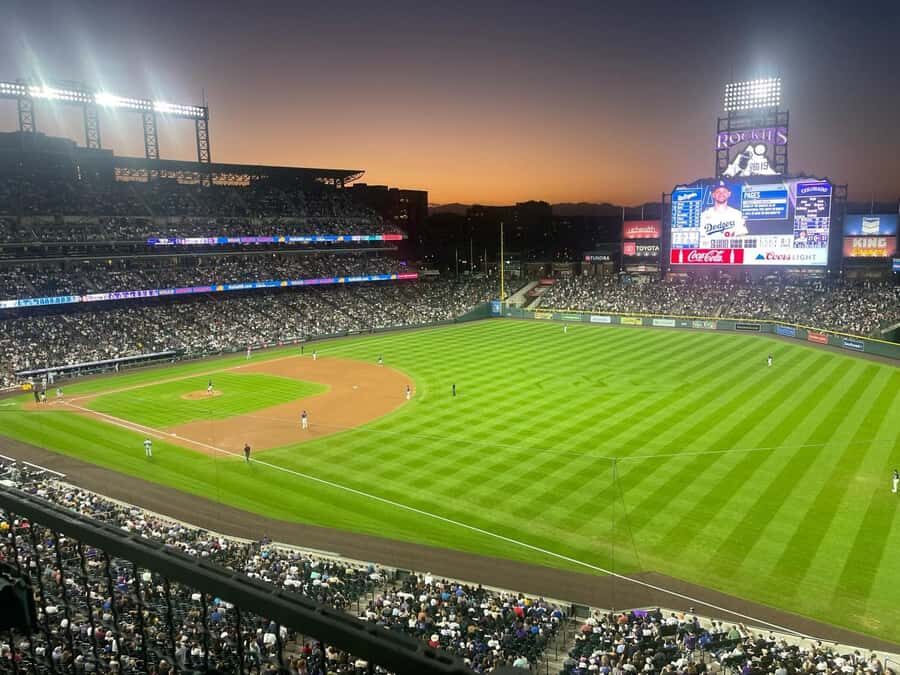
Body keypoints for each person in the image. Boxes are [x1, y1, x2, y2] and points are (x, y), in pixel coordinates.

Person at [699, 180, 748, 247]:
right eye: (718, 191)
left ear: (729, 194)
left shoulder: (737, 214)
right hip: (710, 252)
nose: (721, 194)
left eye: (724, 191)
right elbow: (701, 238)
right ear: (713, 195)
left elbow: (742, 235)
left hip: (731, 250)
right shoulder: (703, 215)